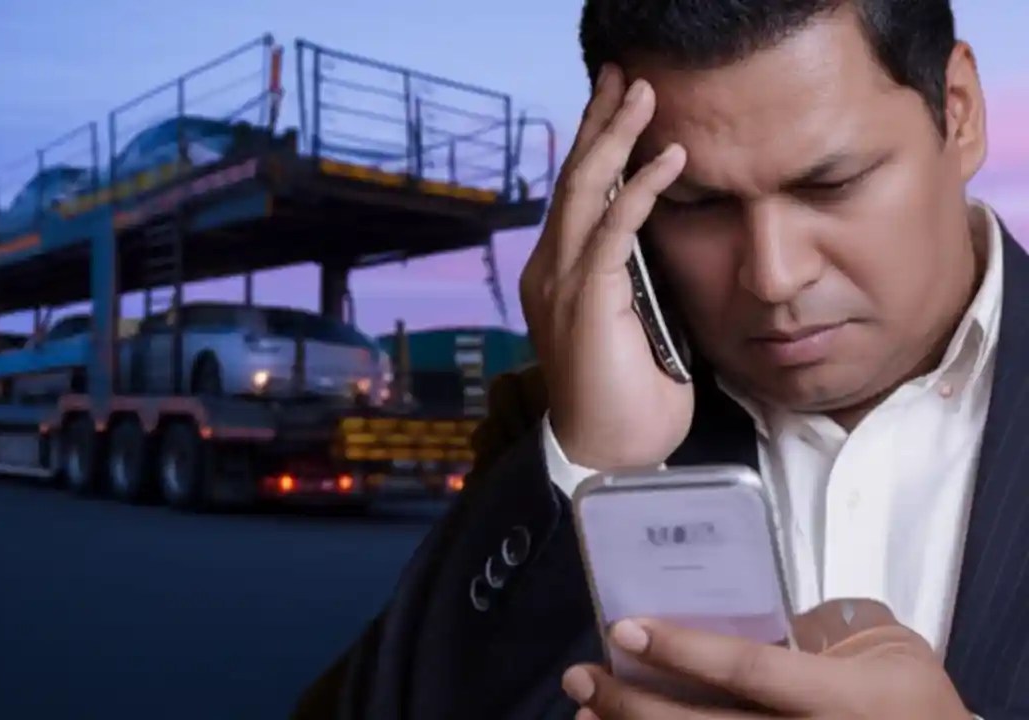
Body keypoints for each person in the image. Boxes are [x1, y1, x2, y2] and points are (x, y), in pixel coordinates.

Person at [292, 0, 1029, 717]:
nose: (772, 276)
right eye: (696, 204)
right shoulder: (563, 434)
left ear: (957, 110)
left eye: (829, 185)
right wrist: (595, 465)